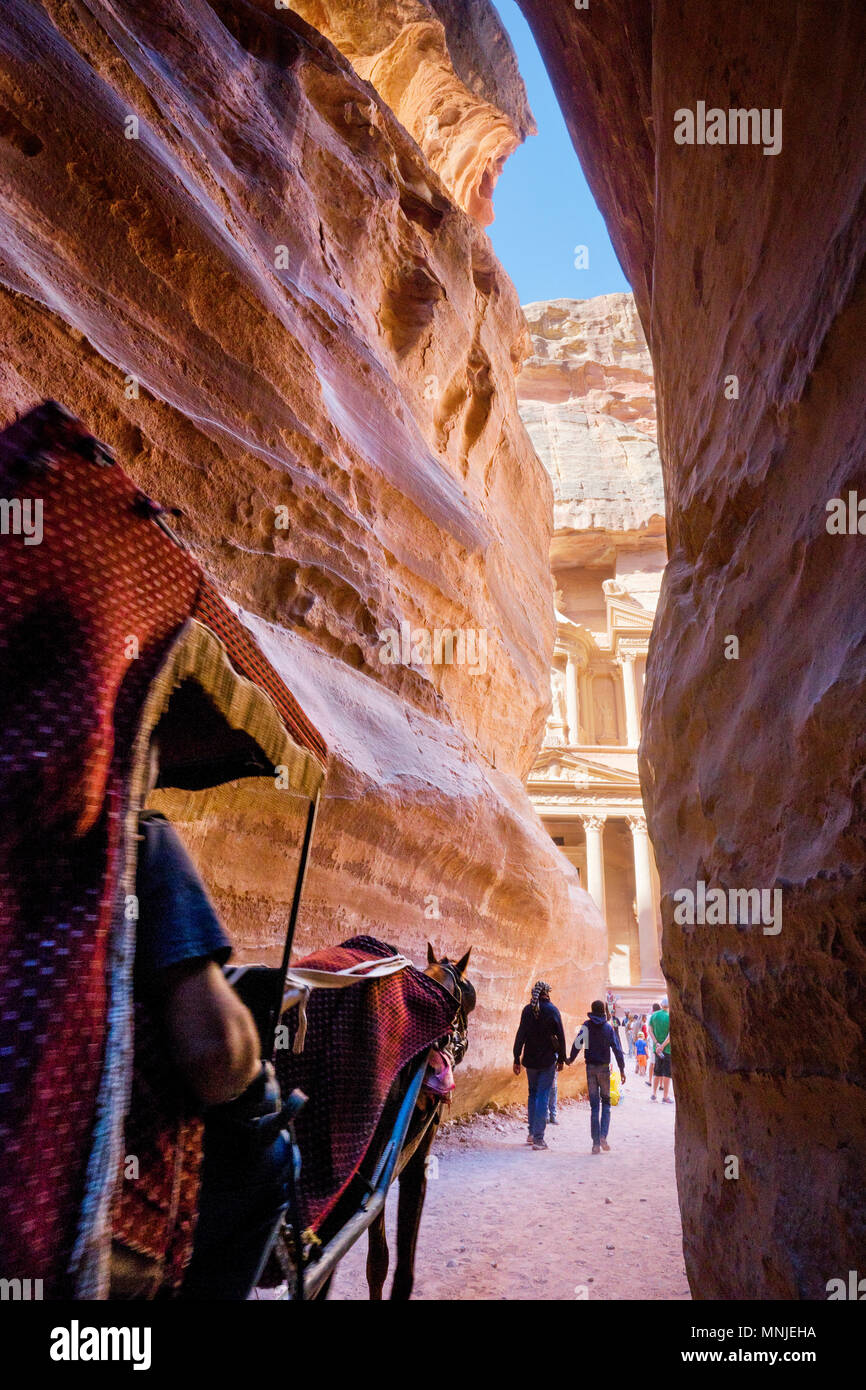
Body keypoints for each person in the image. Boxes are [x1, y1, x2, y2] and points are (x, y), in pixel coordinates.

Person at [512, 981, 567, 1151]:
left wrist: (516, 1057)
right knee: (543, 1095)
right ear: (547, 993)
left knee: (532, 1095)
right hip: (547, 1061)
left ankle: (530, 1133)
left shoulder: (528, 1011)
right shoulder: (552, 1010)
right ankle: (538, 1139)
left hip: (530, 1060)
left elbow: (520, 1034)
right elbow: (561, 1036)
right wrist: (561, 1059)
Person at [567, 999, 626, 1154]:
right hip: (604, 1069)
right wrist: (622, 1069)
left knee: (594, 1107)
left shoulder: (586, 1026)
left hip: (590, 1069)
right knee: (606, 1103)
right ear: (603, 1011)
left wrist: (570, 1059)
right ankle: (603, 1136)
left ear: (592, 1010)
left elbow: (577, 1045)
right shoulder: (608, 1028)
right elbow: (617, 1049)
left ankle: (595, 1144)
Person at [649, 995, 673, 1103]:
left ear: (661, 1005)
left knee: (657, 1071)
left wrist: (657, 1044)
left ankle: (653, 1094)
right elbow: (670, 1034)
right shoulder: (670, 1017)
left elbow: (650, 1031)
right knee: (667, 1074)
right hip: (667, 1049)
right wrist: (663, 1046)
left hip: (657, 1049)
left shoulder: (654, 1016)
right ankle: (665, 1096)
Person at [646, 1002, 660, 1086]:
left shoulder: (651, 1017)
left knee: (652, 1062)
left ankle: (650, 1081)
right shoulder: (664, 1016)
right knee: (661, 1063)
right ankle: (661, 1085)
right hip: (663, 1043)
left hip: (653, 1043)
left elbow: (650, 1031)